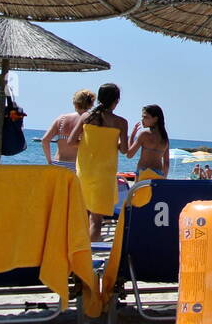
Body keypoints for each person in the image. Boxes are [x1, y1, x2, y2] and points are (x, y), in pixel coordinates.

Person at [70, 83, 130, 241]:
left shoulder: (87, 117)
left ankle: (79, 252)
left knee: (82, 216)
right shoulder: (121, 122)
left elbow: (71, 141)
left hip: (85, 170)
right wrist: (111, 145)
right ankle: (91, 254)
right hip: (105, 174)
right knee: (97, 221)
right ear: (116, 100)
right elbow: (124, 149)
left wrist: (87, 143)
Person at [41, 89, 94, 170]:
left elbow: (45, 140)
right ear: (91, 104)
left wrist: (49, 161)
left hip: (58, 164)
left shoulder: (61, 119)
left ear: (74, 102)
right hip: (78, 166)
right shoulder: (91, 120)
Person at [126, 104, 170, 178]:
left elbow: (129, 155)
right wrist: (163, 178)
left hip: (143, 174)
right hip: (158, 176)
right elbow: (166, 163)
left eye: (145, 117)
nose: (142, 119)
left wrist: (132, 136)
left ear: (155, 119)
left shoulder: (144, 134)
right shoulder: (165, 138)